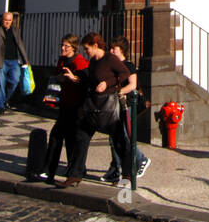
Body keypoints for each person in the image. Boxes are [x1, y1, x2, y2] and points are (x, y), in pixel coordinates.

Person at [58, 32, 131, 187]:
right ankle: (75, 175)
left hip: (108, 106)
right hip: (93, 106)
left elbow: (124, 73)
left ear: (95, 45)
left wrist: (108, 83)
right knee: (81, 137)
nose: (85, 52)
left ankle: (128, 175)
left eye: (87, 48)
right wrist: (76, 79)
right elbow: (90, 81)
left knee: (119, 141)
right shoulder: (93, 62)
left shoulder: (110, 59)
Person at [41, 34, 88, 182]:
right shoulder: (62, 60)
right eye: (62, 45)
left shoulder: (80, 62)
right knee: (61, 136)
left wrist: (73, 78)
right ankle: (62, 169)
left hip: (76, 105)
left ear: (74, 48)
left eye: (66, 46)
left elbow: (84, 81)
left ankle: (60, 169)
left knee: (64, 136)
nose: (62, 48)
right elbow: (57, 76)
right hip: (65, 103)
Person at [104, 36, 150, 182]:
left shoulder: (128, 66)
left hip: (126, 104)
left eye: (114, 48)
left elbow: (133, 85)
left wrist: (119, 91)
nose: (111, 51)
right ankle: (116, 168)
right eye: (110, 48)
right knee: (114, 137)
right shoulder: (112, 65)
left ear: (122, 50)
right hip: (114, 104)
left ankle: (141, 159)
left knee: (125, 136)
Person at [0, 11, 30, 115]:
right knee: (0, 83)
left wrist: (26, 61)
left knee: (15, 80)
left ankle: (5, 99)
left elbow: (20, 45)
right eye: (5, 20)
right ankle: (0, 106)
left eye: (9, 20)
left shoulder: (16, 30)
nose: (7, 22)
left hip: (14, 61)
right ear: (2, 20)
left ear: (12, 21)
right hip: (1, 61)